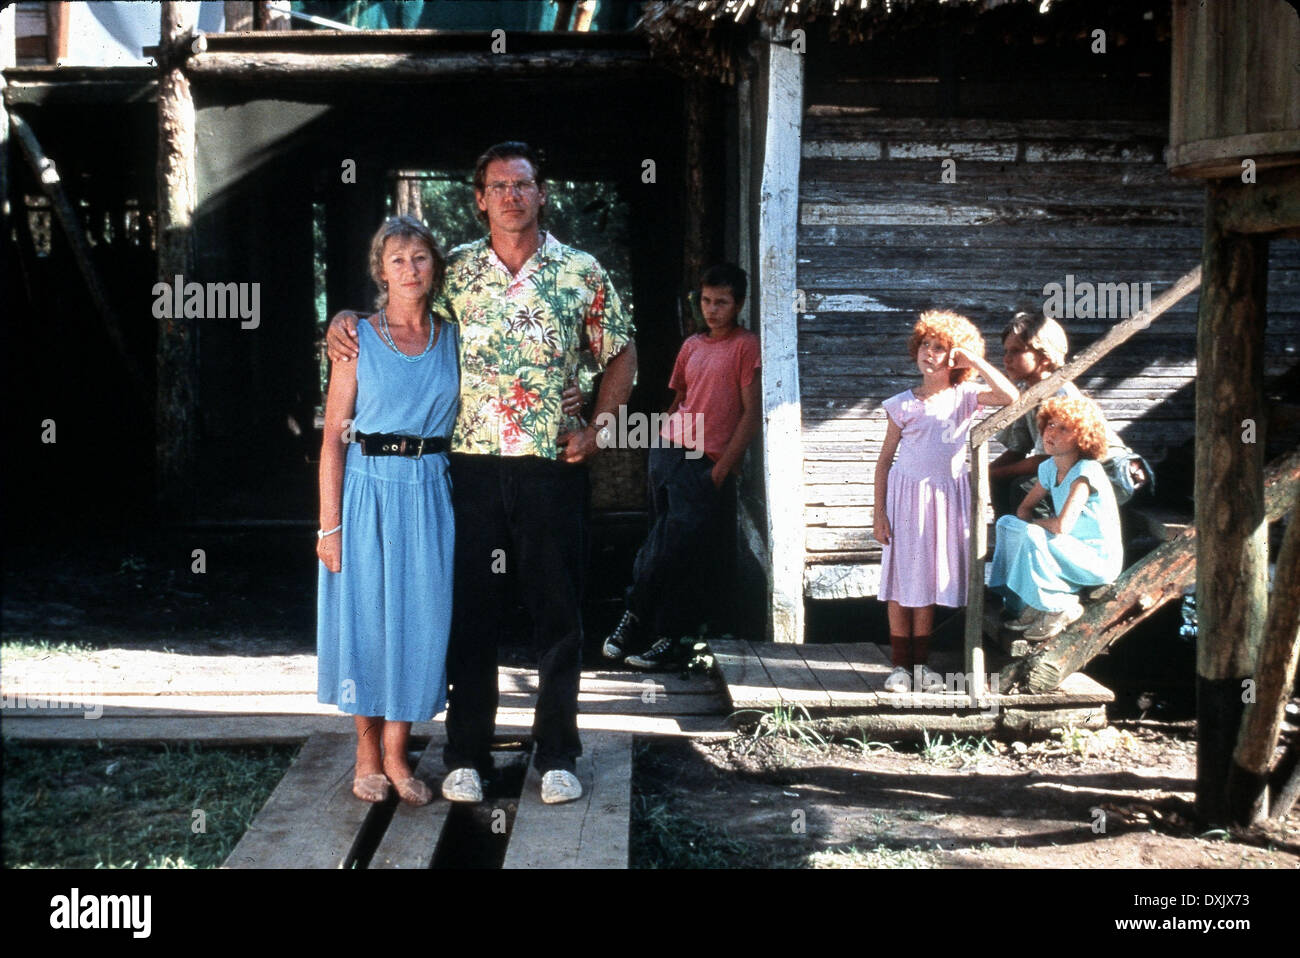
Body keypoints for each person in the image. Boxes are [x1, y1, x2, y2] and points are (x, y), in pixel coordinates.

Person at [327, 142, 636, 806]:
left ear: (541, 192)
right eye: (497, 187)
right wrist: (343, 321)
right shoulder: (455, 271)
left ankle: (556, 756)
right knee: (470, 613)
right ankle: (467, 754)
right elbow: (398, 302)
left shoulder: (580, 272)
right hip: (463, 469)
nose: (510, 196)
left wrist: (598, 426)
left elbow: (621, 352)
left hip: (550, 468)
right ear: (479, 198)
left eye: (522, 185)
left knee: (558, 614)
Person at [316, 215, 458, 806]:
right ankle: (367, 752)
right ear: (381, 270)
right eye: (397, 260)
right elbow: (331, 438)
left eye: (420, 258)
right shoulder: (356, 338)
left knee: (420, 621)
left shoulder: (453, 336)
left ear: (436, 268)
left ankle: (399, 755)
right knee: (367, 620)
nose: (410, 269)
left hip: (430, 489)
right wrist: (329, 525)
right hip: (367, 488)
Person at [601, 263, 761, 671]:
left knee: (680, 548)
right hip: (670, 451)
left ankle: (655, 628)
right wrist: (659, 444)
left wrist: (724, 468)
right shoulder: (691, 345)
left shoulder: (746, 346)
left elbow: (750, 413)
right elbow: (679, 402)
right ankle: (644, 626)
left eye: (722, 302)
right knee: (660, 539)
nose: (712, 310)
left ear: (739, 304)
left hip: (706, 462)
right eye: (706, 301)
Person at [872, 310, 1019, 693]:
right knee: (901, 580)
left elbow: (1010, 396)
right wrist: (879, 514)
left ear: (955, 356)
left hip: (944, 498)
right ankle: (899, 669)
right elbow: (885, 461)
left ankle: (921, 667)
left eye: (940, 348)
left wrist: (976, 361)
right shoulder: (902, 404)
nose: (930, 353)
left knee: (927, 582)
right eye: (925, 345)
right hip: (905, 498)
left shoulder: (965, 397)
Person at [988, 394, 1124, 641]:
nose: (1052, 433)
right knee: (1007, 524)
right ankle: (1026, 602)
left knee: (1030, 532)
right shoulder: (1050, 467)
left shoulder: (1085, 472)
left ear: (1082, 437)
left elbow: (1061, 526)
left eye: (1064, 429)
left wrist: (1032, 527)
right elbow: (1023, 509)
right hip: (1067, 548)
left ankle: (1059, 606)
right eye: (1050, 424)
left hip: (1095, 559)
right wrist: (1025, 524)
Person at [990, 312, 1150, 517]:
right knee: (999, 480)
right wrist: (983, 474)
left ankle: (1044, 544)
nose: (1006, 359)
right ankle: (1009, 540)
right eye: (1005, 351)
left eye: (1017, 351)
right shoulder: (1026, 393)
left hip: (1106, 472)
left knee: (1025, 488)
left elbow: (1044, 460)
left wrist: (994, 473)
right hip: (1067, 468)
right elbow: (1017, 450)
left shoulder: (1060, 395)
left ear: (1045, 357)